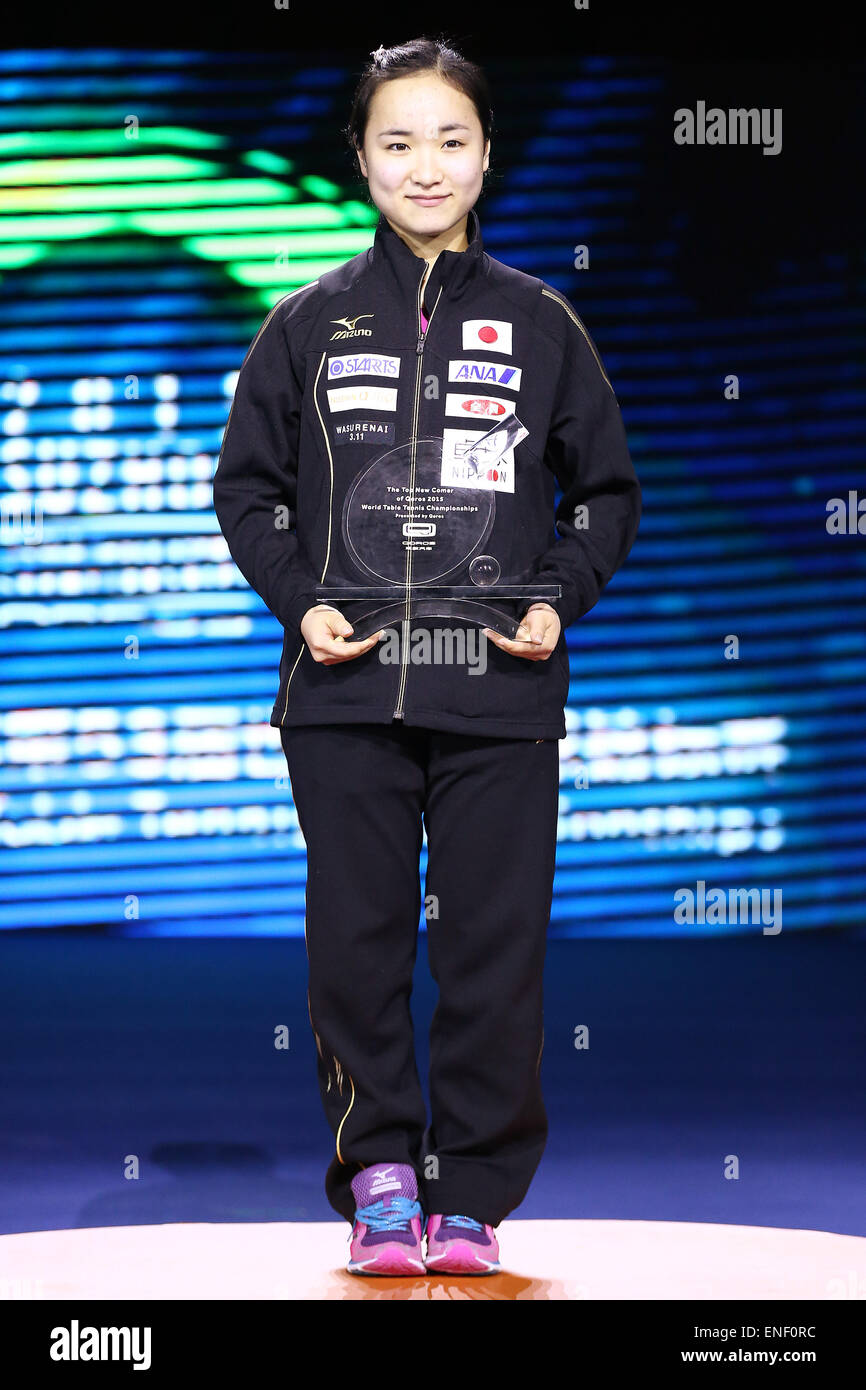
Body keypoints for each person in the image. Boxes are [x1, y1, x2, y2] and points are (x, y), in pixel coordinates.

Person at [212, 35, 641, 1277]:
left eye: (449, 139)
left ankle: (474, 1192)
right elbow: (247, 494)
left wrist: (559, 595)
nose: (424, 164)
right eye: (397, 141)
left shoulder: (541, 322)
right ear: (359, 158)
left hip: (500, 692)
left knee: (491, 952)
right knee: (357, 944)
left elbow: (604, 495)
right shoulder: (302, 324)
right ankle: (383, 1178)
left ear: (486, 155)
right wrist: (301, 606)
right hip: (343, 698)